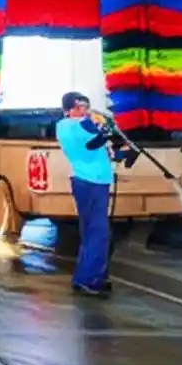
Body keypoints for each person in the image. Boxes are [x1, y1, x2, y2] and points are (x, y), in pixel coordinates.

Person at [55, 91, 117, 296]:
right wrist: (105, 127)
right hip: (90, 183)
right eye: (80, 106)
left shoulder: (77, 125)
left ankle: (87, 276)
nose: (85, 111)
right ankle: (91, 280)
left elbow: (99, 144)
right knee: (98, 233)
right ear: (69, 109)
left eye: (86, 106)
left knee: (92, 232)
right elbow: (92, 143)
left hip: (94, 181)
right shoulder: (70, 125)